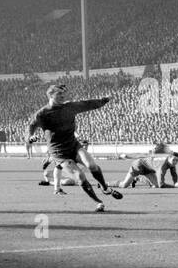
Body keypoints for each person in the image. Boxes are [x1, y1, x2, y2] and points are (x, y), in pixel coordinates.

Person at [26, 84, 122, 212]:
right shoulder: (42, 114)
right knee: (80, 176)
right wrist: (30, 138)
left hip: (74, 145)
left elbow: (87, 104)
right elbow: (30, 129)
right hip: (59, 153)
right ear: (50, 95)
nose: (62, 96)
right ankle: (98, 202)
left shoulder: (69, 107)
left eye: (63, 94)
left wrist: (104, 100)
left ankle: (105, 188)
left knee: (92, 165)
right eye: (59, 94)